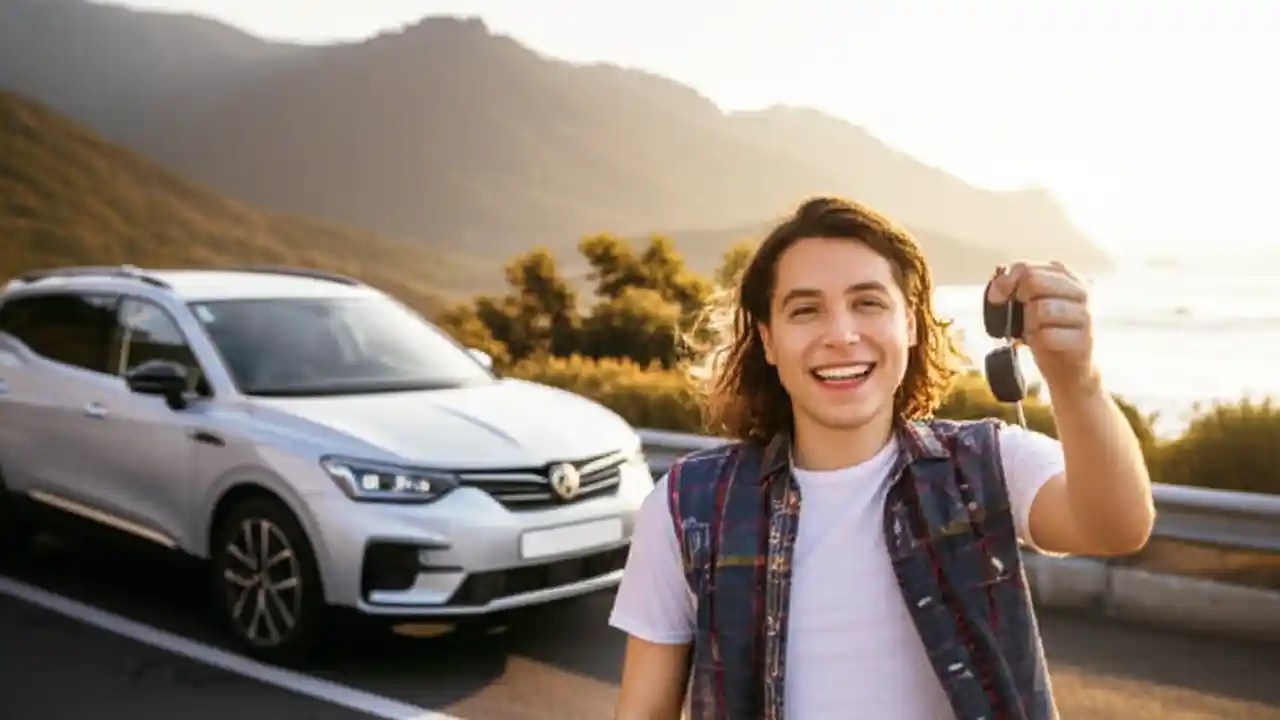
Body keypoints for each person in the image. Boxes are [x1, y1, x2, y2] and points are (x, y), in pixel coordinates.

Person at [608, 197, 1155, 720]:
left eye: (868, 303)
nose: (841, 335)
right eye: (806, 310)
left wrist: (1076, 380)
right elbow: (645, 710)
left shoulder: (987, 462)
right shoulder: (687, 507)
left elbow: (1115, 526)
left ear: (911, 325)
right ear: (769, 341)